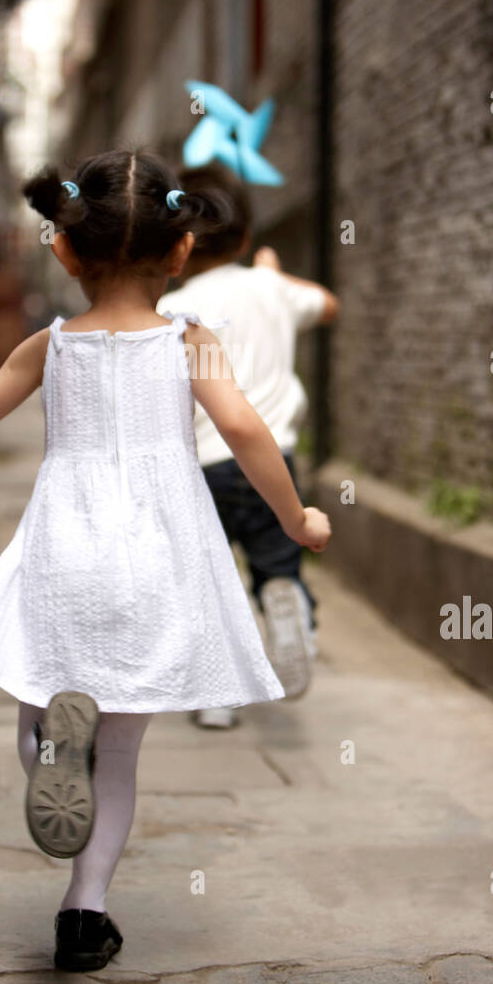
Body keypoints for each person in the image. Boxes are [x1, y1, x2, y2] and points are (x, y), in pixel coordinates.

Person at [0, 150, 331, 974]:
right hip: (155, 559)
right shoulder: (191, 341)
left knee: (44, 710)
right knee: (119, 757)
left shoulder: (52, 346)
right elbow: (250, 434)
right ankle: (85, 912)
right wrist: (296, 518)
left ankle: (49, 753)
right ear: (181, 253)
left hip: (64, 555)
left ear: (65, 251)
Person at [159, 163, 339, 728]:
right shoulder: (271, 288)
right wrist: (272, 272)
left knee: (208, 583)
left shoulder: (173, 310)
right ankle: (287, 607)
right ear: (245, 236)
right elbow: (329, 305)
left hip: (202, 467)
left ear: (179, 247)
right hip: (273, 464)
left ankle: (216, 701)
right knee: (277, 557)